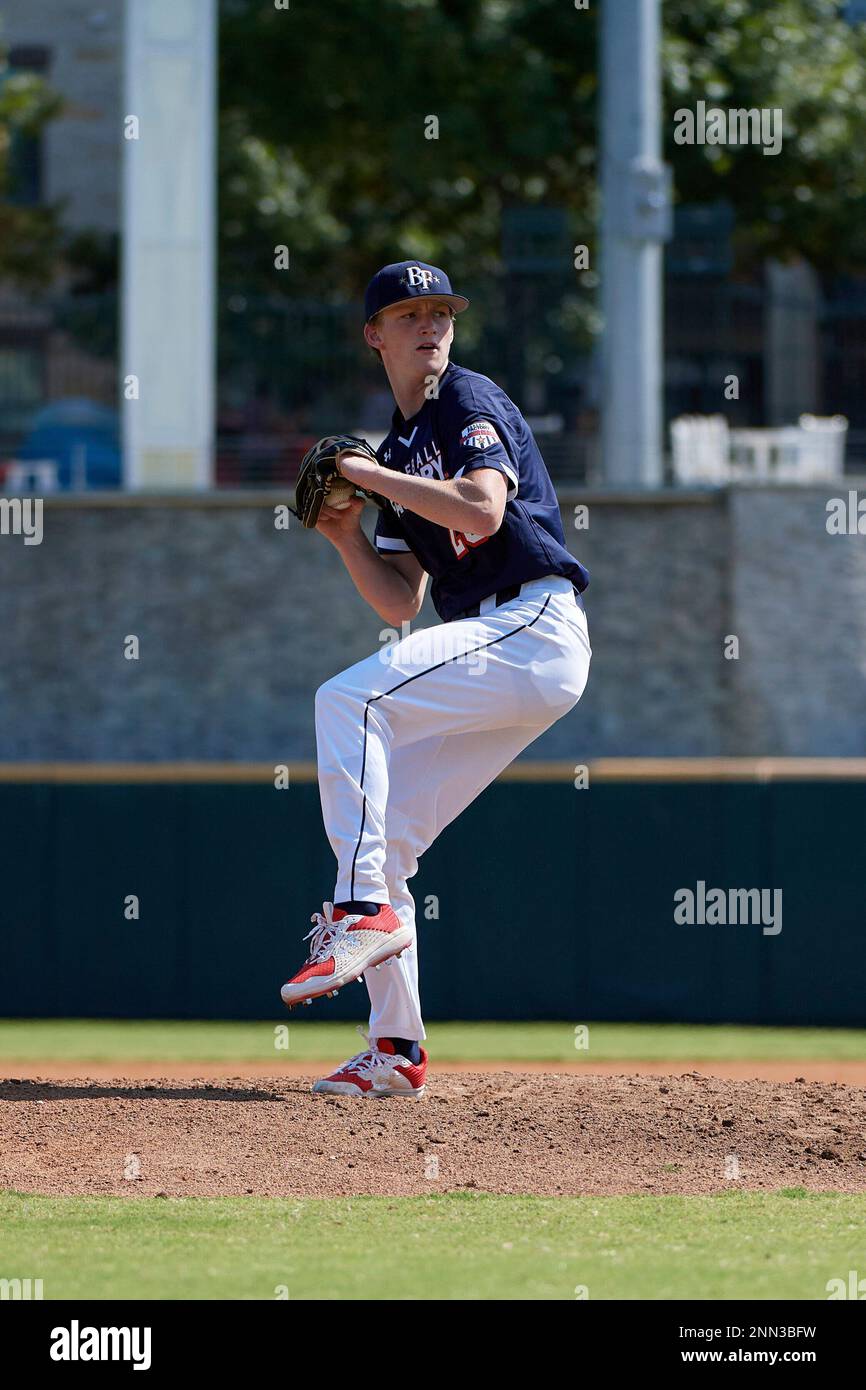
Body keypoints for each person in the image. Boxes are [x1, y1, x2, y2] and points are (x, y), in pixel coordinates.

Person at [280, 260, 591, 1098]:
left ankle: (355, 918)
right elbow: (399, 602)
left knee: (347, 698)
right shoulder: (399, 442)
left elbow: (485, 510)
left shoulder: (467, 400)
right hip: (493, 647)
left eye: (441, 312)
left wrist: (372, 478)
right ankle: (395, 1051)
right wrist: (346, 535)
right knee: (389, 844)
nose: (430, 326)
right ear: (374, 334)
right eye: (409, 313)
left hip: (531, 624)